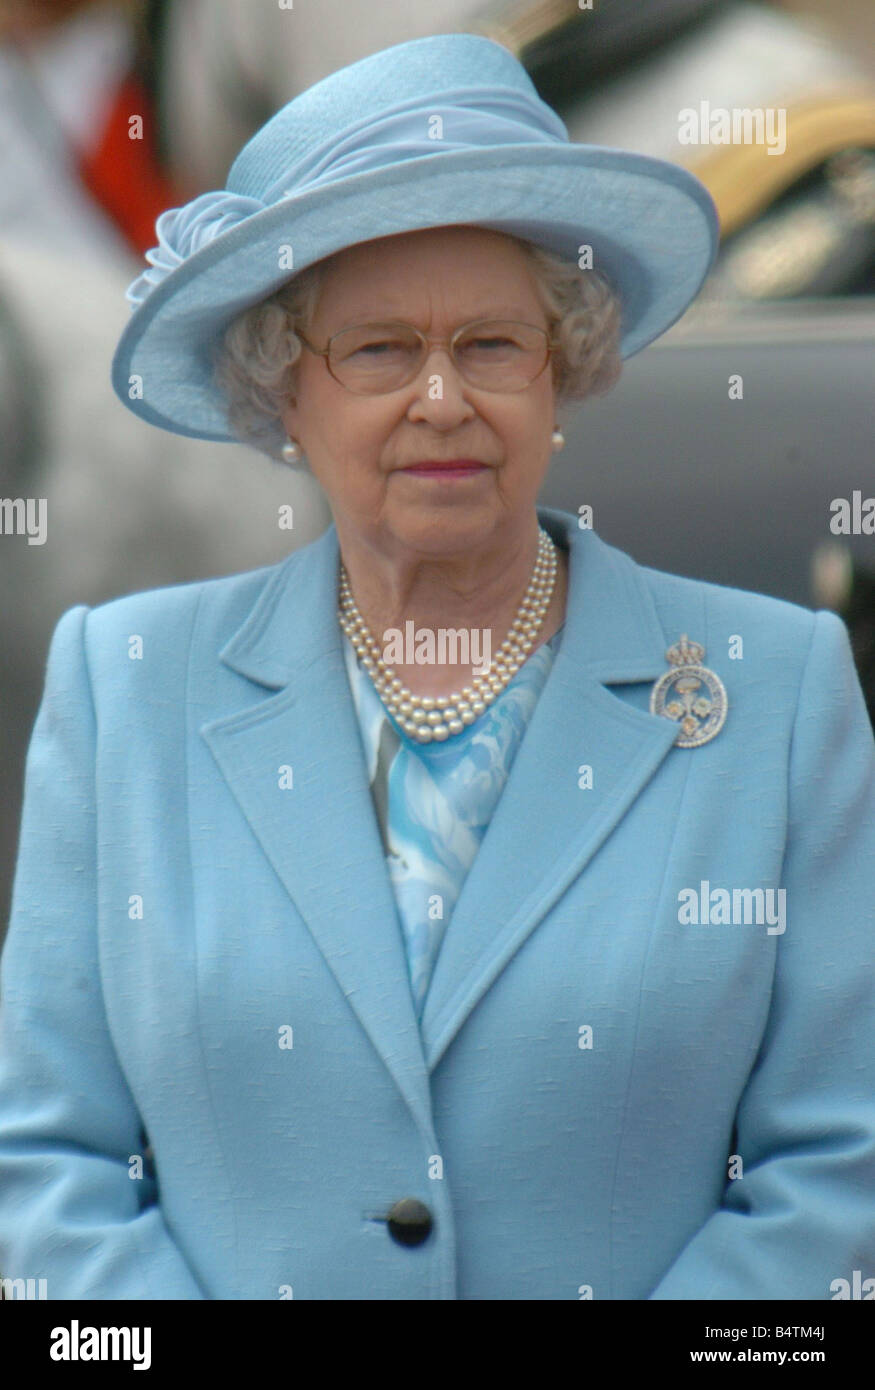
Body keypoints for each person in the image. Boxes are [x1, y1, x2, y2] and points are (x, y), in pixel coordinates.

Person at [1, 33, 873, 1301]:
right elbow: (44, 1160)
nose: (439, 399)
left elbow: (838, 1166)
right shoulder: (124, 687)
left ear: (562, 367)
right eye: (374, 351)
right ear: (279, 392)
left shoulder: (774, 692)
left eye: (492, 346)